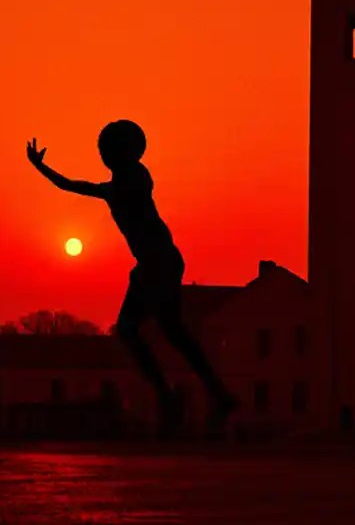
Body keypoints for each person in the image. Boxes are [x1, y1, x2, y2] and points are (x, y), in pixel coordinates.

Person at [26, 121, 237, 437]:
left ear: (128, 152)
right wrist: (41, 167)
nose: (105, 154)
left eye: (111, 149)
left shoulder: (137, 177)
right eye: (103, 149)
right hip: (149, 266)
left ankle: (188, 397)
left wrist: (45, 169)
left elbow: (87, 187)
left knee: (163, 330)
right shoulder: (116, 186)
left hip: (161, 262)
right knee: (151, 330)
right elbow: (71, 185)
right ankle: (198, 395)